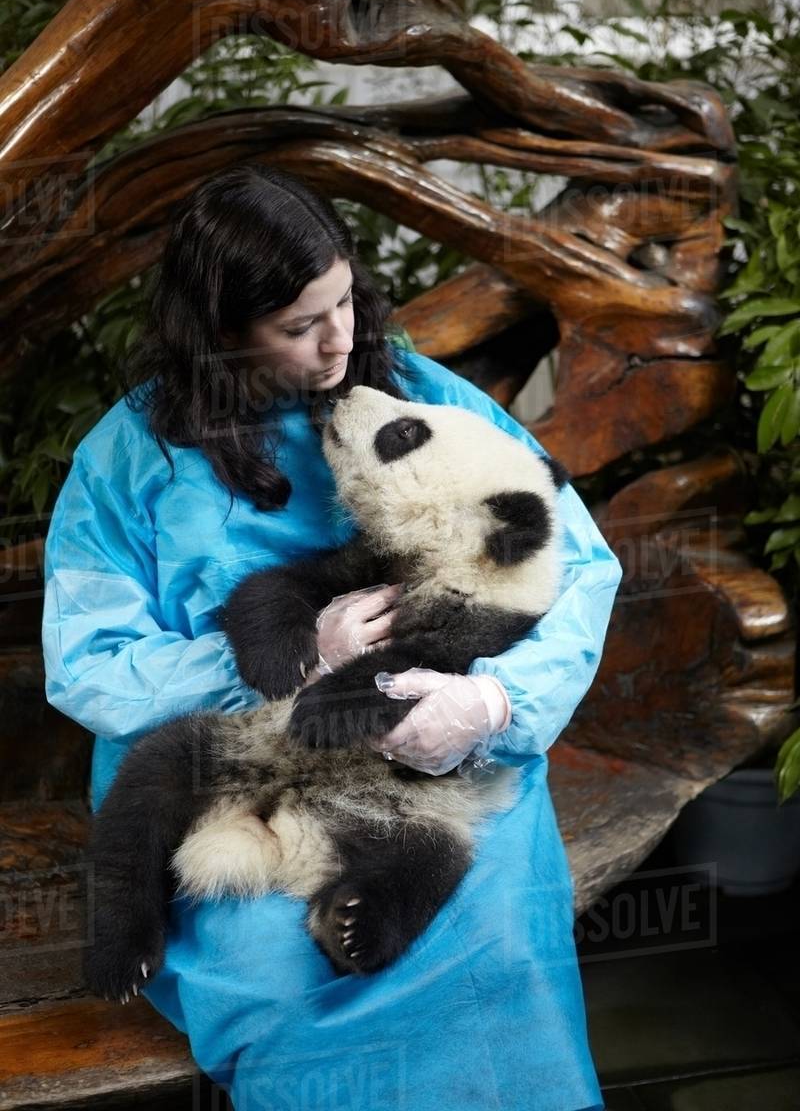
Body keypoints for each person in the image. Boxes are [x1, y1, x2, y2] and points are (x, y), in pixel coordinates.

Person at [42, 163, 622, 1111]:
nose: (340, 344)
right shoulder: (124, 459)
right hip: (234, 766)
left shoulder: (424, 396)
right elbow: (90, 665)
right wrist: (297, 655)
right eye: (299, 327)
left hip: (437, 755)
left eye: (346, 302)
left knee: (490, 943)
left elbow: (578, 566)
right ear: (222, 331)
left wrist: (493, 702)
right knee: (280, 973)